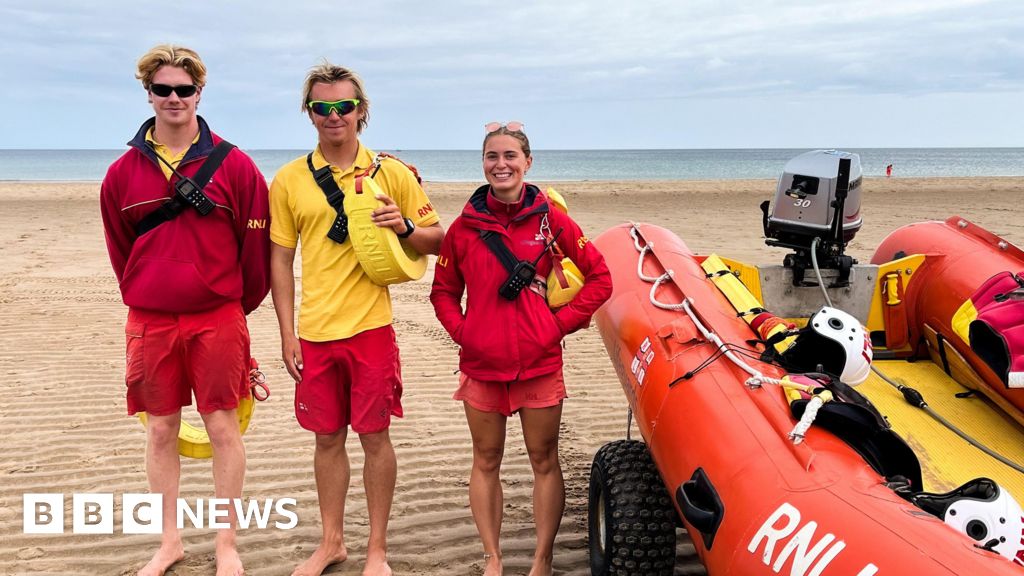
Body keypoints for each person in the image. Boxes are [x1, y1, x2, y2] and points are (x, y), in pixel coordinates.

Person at [100, 44, 270, 576]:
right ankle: (169, 541)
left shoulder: (237, 166)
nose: (174, 98)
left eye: (184, 89)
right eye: (163, 89)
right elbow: (121, 253)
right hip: (150, 319)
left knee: (223, 427)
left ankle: (226, 543)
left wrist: (229, 309)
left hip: (218, 316)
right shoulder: (121, 173)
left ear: (200, 92)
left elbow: (255, 255)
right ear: (147, 93)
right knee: (159, 430)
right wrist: (156, 289)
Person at [269, 62, 444, 576]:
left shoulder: (392, 172)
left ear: (361, 111)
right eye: (322, 107)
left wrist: (405, 225)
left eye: (344, 106)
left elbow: (439, 240)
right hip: (315, 332)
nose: (333, 115)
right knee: (326, 439)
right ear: (309, 113)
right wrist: (286, 334)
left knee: (374, 437)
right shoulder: (288, 180)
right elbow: (280, 258)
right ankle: (332, 543)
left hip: (371, 330)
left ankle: (377, 552)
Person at [430, 122, 613, 576]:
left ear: (528, 162)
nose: (501, 164)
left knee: (544, 461)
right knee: (486, 460)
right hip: (481, 366)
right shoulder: (463, 229)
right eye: (492, 156)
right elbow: (442, 292)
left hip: (539, 364)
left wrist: (556, 327)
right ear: (483, 164)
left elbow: (601, 278)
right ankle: (492, 559)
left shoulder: (552, 220)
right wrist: (464, 333)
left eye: (510, 156)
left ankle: (542, 560)